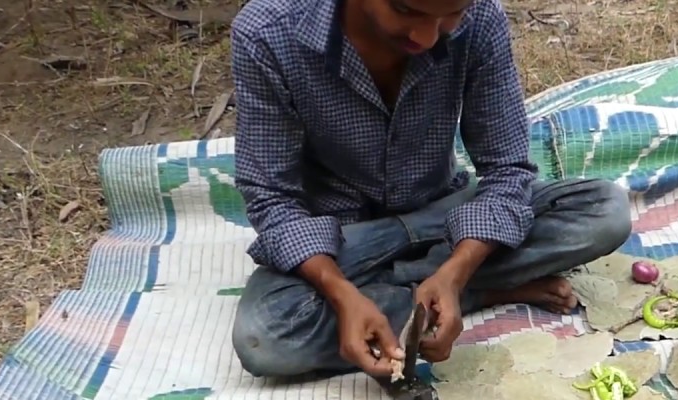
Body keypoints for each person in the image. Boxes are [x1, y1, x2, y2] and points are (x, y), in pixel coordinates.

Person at [229, 0, 632, 380]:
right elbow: (271, 196)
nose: (425, 37)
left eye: (450, 14)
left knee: (604, 209)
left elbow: (507, 168)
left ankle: (434, 288)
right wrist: (339, 294)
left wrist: (456, 272)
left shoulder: (480, 19)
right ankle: (483, 291)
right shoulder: (268, 33)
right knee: (265, 335)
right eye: (405, 10)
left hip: (442, 211)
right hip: (344, 238)